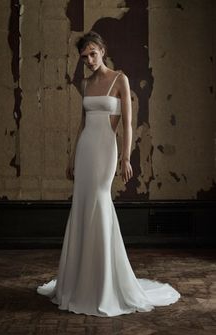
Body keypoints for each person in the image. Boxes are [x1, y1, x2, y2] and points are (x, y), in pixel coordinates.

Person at [37, 31, 180, 316]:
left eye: (93, 53)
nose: (89, 60)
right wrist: (72, 157)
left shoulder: (120, 79)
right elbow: (82, 124)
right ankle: (80, 282)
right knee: (82, 205)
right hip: (87, 148)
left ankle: (104, 283)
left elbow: (127, 124)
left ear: (102, 50)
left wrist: (126, 156)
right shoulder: (86, 83)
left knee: (101, 202)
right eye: (84, 56)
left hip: (106, 149)